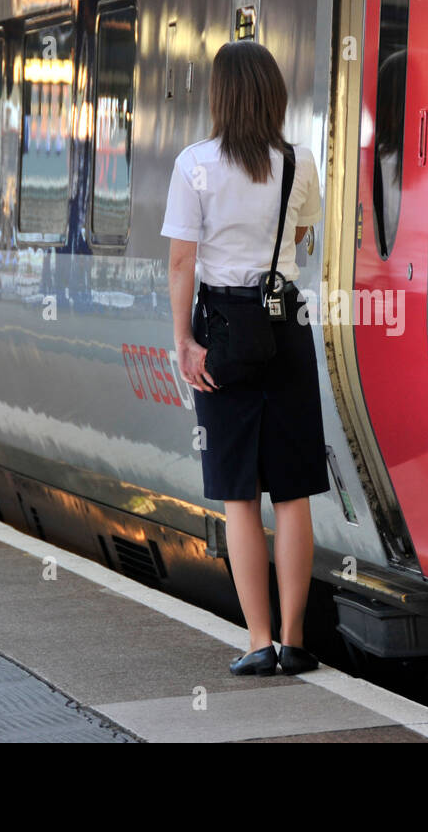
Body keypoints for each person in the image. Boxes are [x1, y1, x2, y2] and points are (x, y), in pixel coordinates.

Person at [160, 40, 330, 677]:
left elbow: (182, 261)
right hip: (286, 325)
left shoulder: (195, 165)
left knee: (239, 495)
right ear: (274, 95)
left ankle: (257, 640)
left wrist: (185, 342)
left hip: (223, 329)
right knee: (292, 493)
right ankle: (294, 640)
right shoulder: (298, 162)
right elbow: (303, 237)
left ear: (220, 96)